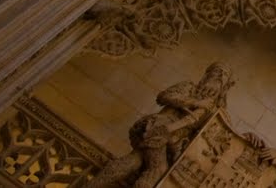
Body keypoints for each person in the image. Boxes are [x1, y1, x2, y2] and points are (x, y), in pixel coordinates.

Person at [86, 63, 234, 188]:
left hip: (170, 142)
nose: (217, 78)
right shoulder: (189, 87)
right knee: (158, 170)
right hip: (156, 127)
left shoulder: (214, 110)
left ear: (224, 87)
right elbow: (164, 96)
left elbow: (217, 135)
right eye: (215, 73)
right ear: (206, 75)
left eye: (222, 77)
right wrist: (194, 102)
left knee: (134, 160)